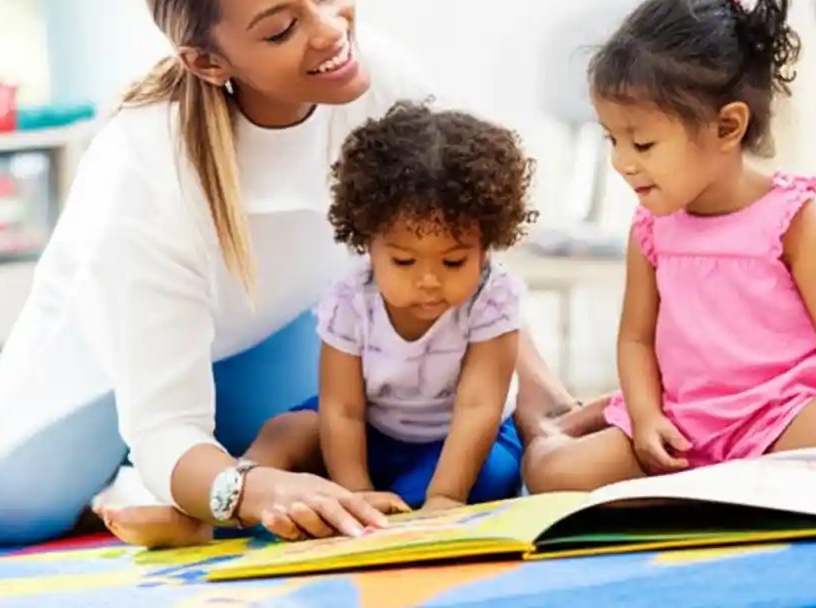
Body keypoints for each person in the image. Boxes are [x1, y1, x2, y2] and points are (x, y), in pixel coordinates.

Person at [0, 0, 578, 546]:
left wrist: (547, 410)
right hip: (103, 377)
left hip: (265, 345)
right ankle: (141, 483)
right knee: (15, 512)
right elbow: (166, 423)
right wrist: (250, 489)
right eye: (282, 29)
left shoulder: (384, 78)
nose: (331, 28)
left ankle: (176, 487)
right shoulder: (145, 166)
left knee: (361, 435)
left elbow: (470, 261)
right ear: (207, 60)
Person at [520, 0, 816, 494]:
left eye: (643, 142)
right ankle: (560, 425)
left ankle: (605, 415)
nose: (622, 161)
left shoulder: (794, 216)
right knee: (549, 474)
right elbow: (635, 340)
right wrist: (648, 417)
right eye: (613, 139)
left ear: (728, 128)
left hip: (781, 413)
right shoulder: (651, 229)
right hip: (683, 421)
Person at [104, 100, 537, 545]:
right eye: (404, 260)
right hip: (365, 430)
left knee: (492, 474)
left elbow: (478, 407)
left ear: (487, 243)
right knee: (285, 431)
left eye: (453, 260)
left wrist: (447, 497)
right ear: (367, 240)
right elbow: (342, 410)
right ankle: (205, 516)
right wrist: (356, 493)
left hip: (453, 441)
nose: (429, 280)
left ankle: (368, 503)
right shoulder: (350, 301)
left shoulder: (493, 298)